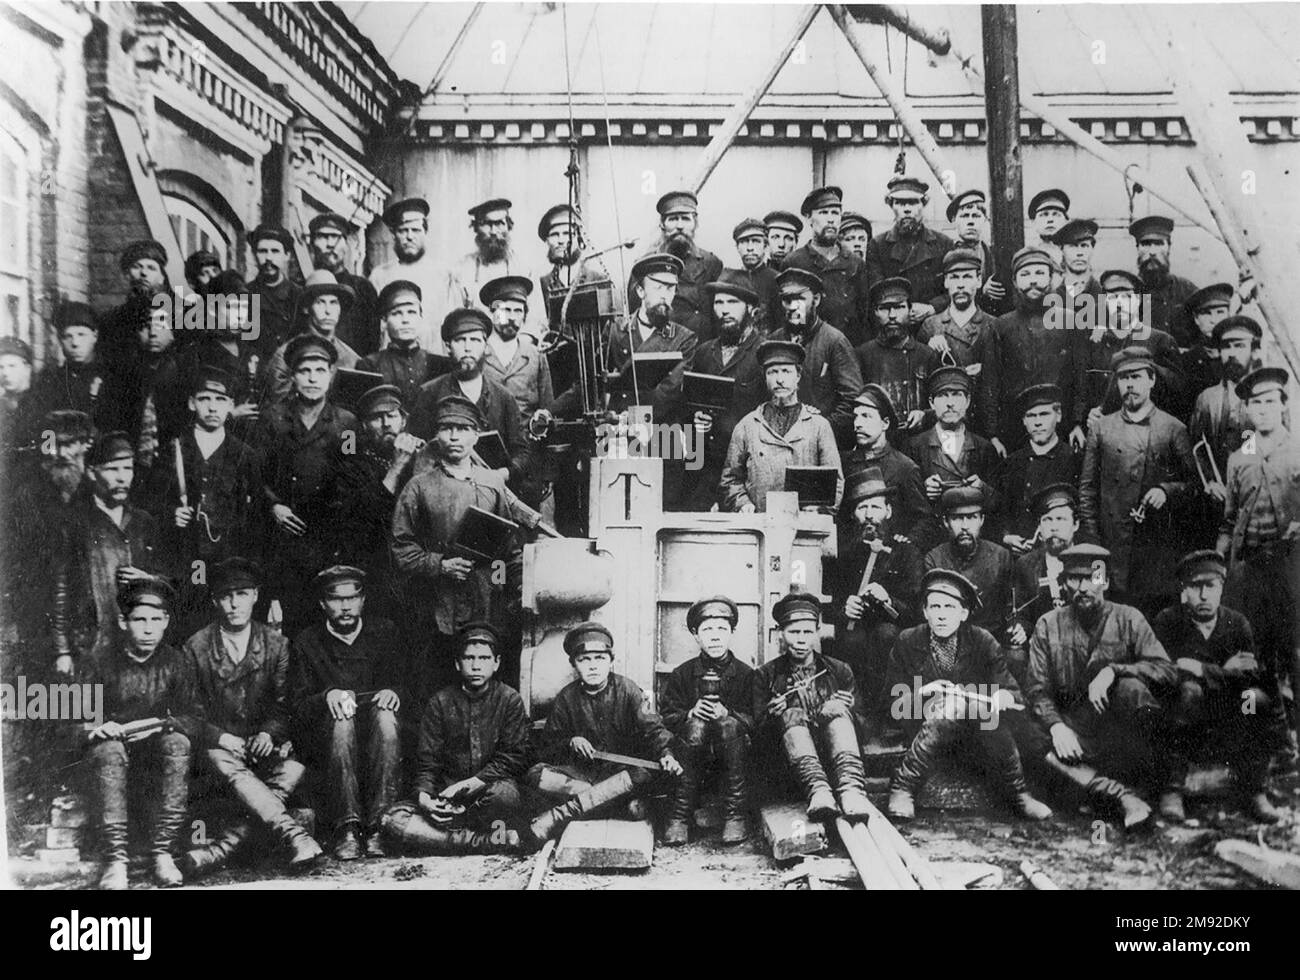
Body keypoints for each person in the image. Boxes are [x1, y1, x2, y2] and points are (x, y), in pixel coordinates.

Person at [391, 394, 538, 702]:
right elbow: (401, 548)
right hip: (434, 609)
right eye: (446, 428)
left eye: (462, 428)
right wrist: (439, 565)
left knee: (487, 690)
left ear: (475, 434)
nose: (454, 436)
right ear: (437, 435)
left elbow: (508, 552)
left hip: (485, 606)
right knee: (435, 689)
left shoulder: (492, 484)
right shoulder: (419, 486)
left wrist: (506, 588)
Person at [182, 557, 322, 875]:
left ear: (255, 596)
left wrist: (268, 734)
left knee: (294, 768)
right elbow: (189, 713)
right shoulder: (196, 647)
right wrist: (222, 737)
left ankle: (219, 850)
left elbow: (284, 705)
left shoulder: (277, 645)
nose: (234, 603)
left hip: (261, 751)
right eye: (226, 596)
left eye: (242, 594)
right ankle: (295, 835)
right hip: (217, 754)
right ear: (215, 600)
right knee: (222, 759)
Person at [1025, 543, 1178, 829]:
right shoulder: (1048, 624)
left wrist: (1114, 671)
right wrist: (1057, 726)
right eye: (1074, 579)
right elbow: (1036, 688)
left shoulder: (1129, 618)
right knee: (1025, 726)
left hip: (1118, 735)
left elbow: (1167, 671)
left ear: (1105, 581)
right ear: (1065, 583)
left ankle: (1143, 788)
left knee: (1132, 690)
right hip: (1074, 737)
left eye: (1092, 578)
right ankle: (1119, 796)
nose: (1083, 587)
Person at [885, 568, 1051, 821]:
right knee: (952, 707)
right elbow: (893, 705)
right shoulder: (907, 641)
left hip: (973, 736)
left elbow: (1012, 693)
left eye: (949, 607)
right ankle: (903, 787)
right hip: (923, 731)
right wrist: (923, 693)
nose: (941, 615)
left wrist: (1003, 698)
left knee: (976, 709)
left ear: (963, 613)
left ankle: (1019, 793)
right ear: (925, 611)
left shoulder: (982, 641)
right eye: (935, 607)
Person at [1151, 550, 1285, 823]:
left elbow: (1251, 677)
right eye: (1195, 587)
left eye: (1210, 587)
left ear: (1221, 588)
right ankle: (1172, 790)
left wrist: (1202, 669)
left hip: (1232, 717)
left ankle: (1254, 790)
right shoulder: (1169, 622)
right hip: (1184, 721)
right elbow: (1166, 673)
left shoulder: (1236, 624)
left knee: (1252, 698)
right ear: (1184, 590)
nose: (1203, 596)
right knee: (1188, 691)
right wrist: (1226, 671)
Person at [81, 577, 198, 889]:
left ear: (166, 621)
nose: (148, 629)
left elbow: (194, 716)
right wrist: (98, 726)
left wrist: (159, 726)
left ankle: (163, 853)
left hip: (155, 752)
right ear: (123, 621)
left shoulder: (176, 661)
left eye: (156, 620)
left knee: (177, 742)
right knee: (109, 749)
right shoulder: (100, 661)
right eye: (140, 620)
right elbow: (75, 719)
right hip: (111, 757)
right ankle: (116, 861)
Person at [524, 621, 683, 845]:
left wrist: (667, 753)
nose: (593, 666)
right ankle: (612, 805)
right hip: (582, 776)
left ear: (611, 661)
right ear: (574, 664)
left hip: (622, 773)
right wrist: (571, 741)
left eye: (600, 658)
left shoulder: (628, 690)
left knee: (645, 773)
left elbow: (653, 729)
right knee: (536, 774)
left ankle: (557, 816)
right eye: (584, 660)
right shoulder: (566, 697)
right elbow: (548, 747)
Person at [382, 622, 528, 855]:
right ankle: (484, 842)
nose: (476, 665)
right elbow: (427, 763)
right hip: (446, 798)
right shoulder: (440, 702)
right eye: (469, 658)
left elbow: (513, 758)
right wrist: (425, 799)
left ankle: (446, 840)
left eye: (483, 658)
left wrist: (470, 784)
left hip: (486, 794)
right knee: (392, 821)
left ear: (496, 663)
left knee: (506, 797)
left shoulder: (509, 700)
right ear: (458, 663)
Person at [290, 565, 403, 860]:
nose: (345, 606)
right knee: (342, 718)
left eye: (352, 598)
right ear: (323, 604)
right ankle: (347, 828)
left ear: (363, 600)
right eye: (337, 600)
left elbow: (408, 686)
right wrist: (327, 696)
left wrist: (394, 692)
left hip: (377, 738)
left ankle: (382, 825)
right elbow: (297, 708)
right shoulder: (307, 642)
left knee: (386, 717)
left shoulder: (385, 632)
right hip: (330, 743)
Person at [1216, 366, 1300, 746]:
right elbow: (1229, 520)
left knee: (1293, 646)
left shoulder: (1297, 449)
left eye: (1270, 402)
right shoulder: (1238, 459)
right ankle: (1269, 734)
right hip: (1251, 570)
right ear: (1247, 410)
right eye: (1255, 403)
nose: (1263, 409)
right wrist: (1220, 565)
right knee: (1257, 651)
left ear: (1283, 406)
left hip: (1291, 567)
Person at [147, 366, 265, 638]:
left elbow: (256, 519)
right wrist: (170, 514)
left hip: (227, 565)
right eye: (204, 399)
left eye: (220, 400)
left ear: (231, 405)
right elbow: (149, 503)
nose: (212, 407)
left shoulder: (245, 455)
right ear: (192, 403)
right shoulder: (173, 449)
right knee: (184, 633)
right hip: (182, 562)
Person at [253, 334, 357, 637]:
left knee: (321, 621)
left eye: (320, 370)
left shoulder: (345, 424)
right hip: (281, 539)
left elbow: (351, 474)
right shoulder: (273, 419)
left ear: (331, 374)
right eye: (304, 371)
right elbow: (256, 472)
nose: (312, 378)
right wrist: (274, 505)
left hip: (325, 538)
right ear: (293, 376)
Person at [1080, 345, 1194, 617]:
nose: (1129, 384)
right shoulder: (1101, 428)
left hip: (1154, 555)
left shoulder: (1172, 428)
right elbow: (1087, 491)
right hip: (1108, 551)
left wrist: (1167, 491)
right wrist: (1095, 547)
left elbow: (1195, 485)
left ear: (1152, 379)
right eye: (1123, 378)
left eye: (1136, 377)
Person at [752, 592, 870, 820]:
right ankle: (818, 792)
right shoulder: (764, 675)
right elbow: (756, 737)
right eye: (793, 632)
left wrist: (846, 709)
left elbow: (864, 729)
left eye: (807, 632)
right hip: (791, 772)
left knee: (836, 710)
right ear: (781, 634)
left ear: (818, 631)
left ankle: (852, 791)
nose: (801, 640)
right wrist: (773, 714)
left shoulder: (839, 670)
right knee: (792, 713)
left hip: (837, 766)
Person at [51, 431, 164, 669]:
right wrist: (62, 651)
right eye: (113, 470)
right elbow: (60, 588)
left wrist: (150, 579)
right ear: (92, 472)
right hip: (91, 646)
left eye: (128, 469)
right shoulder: (75, 523)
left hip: (136, 648)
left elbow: (168, 579)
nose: (123, 478)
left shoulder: (144, 522)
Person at [826, 467, 923, 739]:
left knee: (886, 634)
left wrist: (889, 600)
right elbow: (825, 603)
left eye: (876, 507)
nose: (869, 515)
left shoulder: (906, 552)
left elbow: (917, 610)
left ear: (889, 512)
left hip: (892, 635)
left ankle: (890, 715)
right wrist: (843, 608)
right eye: (862, 507)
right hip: (852, 635)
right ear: (854, 514)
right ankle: (858, 715)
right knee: (852, 640)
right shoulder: (841, 556)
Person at [409, 308, 536, 507]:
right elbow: (416, 449)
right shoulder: (429, 393)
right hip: (443, 499)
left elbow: (522, 452)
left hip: (493, 497)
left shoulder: (503, 397)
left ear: (486, 347)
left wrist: (503, 474)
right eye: (460, 340)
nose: (468, 348)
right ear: (448, 346)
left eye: (476, 340)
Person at [659, 595, 756, 844]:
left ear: (732, 632)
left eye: (722, 629)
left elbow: (758, 719)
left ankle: (735, 816)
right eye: (707, 629)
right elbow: (667, 717)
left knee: (728, 724)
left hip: (733, 761)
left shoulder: (748, 675)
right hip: (693, 759)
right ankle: (678, 816)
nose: (715, 636)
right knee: (696, 725)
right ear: (695, 634)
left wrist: (729, 715)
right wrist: (690, 714)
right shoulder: (682, 674)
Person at [719, 339, 842, 513]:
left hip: (805, 529)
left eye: (786, 371)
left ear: (798, 375)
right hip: (760, 526)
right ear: (765, 376)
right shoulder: (747, 426)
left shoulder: (819, 426)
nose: (780, 380)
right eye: (772, 372)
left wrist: (819, 509)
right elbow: (730, 479)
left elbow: (835, 481)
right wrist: (743, 504)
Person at [676, 276, 766, 511]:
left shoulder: (764, 353)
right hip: (703, 471)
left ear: (750, 309)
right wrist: (695, 418)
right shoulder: (704, 352)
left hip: (746, 472)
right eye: (719, 303)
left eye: (732, 302)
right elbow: (686, 405)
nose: (724, 310)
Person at [981, 246, 1074, 455]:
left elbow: (1080, 376)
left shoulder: (1068, 320)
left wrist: (1076, 422)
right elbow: (990, 382)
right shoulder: (1001, 326)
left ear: (1051, 278)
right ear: (1014, 281)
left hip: (1061, 425)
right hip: (1014, 429)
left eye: (1040, 273)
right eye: (1025, 274)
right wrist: (993, 434)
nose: (1033, 280)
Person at [906, 365, 1000, 552]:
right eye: (942, 395)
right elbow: (906, 506)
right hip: (932, 542)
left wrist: (982, 489)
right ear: (932, 403)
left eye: (957, 394)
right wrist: (924, 490)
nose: (950, 403)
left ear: (967, 401)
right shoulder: (915, 447)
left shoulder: (984, 448)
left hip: (974, 544)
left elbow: (1001, 504)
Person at [768, 267, 863, 446]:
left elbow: (852, 399)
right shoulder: (774, 340)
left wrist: (819, 429)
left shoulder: (834, 341)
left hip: (821, 443)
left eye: (800, 299)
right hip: (779, 441)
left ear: (816, 299)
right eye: (787, 300)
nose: (793, 307)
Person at [994, 383, 1081, 554]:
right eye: (1031, 416)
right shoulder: (1012, 462)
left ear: (1059, 415)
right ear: (1024, 421)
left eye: (1044, 414)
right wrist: (1006, 537)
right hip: (1019, 556)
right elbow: (1000, 511)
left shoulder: (1075, 460)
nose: (1038, 422)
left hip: (1064, 553)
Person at [1008, 484, 1081, 683]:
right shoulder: (1026, 564)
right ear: (1039, 527)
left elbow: (1102, 609)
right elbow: (1020, 611)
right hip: (1040, 646)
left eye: (1061, 519)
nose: (1054, 526)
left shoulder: (1094, 561)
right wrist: (1020, 628)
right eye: (1047, 520)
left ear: (1075, 524)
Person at [447, 198, 546, 344]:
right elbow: (455, 321)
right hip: (478, 351)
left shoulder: (525, 268)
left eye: (499, 223)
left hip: (519, 349)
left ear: (508, 226)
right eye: (486, 224)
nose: (493, 231)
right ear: (475, 228)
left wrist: (517, 348)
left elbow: (537, 320)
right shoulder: (461, 271)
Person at [782, 186, 870, 345]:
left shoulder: (855, 263)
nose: (830, 219)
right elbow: (795, 320)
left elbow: (864, 318)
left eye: (835, 213)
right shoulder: (794, 262)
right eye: (823, 213)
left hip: (849, 349)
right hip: (809, 350)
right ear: (809, 218)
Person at [925, 486, 1015, 642]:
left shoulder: (1001, 556)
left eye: (972, 517)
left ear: (982, 520)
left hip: (991, 641)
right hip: (949, 640)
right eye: (957, 518)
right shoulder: (934, 559)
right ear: (946, 522)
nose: (965, 526)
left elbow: (1010, 607)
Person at [627, 190, 723, 336]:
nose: (679, 225)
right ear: (662, 224)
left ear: (695, 223)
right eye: (672, 219)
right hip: (663, 347)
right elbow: (635, 315)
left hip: (701, 349)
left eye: (685, 219)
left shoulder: (711, 264)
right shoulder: (645, 265)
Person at [863, 175, 955, 323]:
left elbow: (953, 289)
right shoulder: (877, 246)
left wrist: (931, 308)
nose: (906, 210)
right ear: (891, 205)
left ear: (923, 204)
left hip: (932, 325)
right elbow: (877, 292)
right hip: (893, 323)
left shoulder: (943, 244)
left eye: (912, 203)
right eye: (900, 203)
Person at [840, 384, 929, 538]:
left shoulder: (904, 468)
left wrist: (905, 543)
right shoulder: (844, 463)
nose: (857, 424)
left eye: (866, 416)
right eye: (856, 417)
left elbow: (924, 520)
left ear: (885, 423)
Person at [855, 277, 938, 438]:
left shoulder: (927, 355)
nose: (892, 315)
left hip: (919, 442)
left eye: (899, 307)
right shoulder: (862, 355)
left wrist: (925, 415)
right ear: (875, 312)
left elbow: (940, 403)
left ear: (910, 310)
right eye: (884, 308)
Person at [264, 270, 361, 405]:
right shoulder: (284, 356)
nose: (328, 310)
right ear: (306, 308)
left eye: (333, 303)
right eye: (320, 302)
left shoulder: (352, 359)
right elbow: (279, 407)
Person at [369, 197, 445, 354]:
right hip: (391, 362)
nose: (409, 236)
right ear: (394, 235)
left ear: (425, 233)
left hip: (435, 362)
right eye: (403, 230)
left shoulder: (443, 275)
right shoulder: (379, 276)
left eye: (416, 230)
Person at [1189, 315, 1261, 477]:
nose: (1232, 353)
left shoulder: (1267, 397)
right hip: (1218, 494)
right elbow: (1197, 448)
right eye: (1226, 347)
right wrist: (1210, 481)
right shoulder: (1207, 399)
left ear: (1255, 352)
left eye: (1240, 346)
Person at [357, 280, 449, 408]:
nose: (405, 320)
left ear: (420, 318)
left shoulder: (440, 364)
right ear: (384, 322)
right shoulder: (369, 365)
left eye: (411, 312)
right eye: (397, 313)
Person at [479, 274, 555, 424]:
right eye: (506, 310)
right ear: (493, 312)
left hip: (527, 442)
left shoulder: (535, 356)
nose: (512, 317)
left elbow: (547, 409)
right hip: (488, 442)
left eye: (518, 311)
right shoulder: (477, 353)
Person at [306, 212, 380, 357]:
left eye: (336, 237)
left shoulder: (363, 289)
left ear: (346, 245)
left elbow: (373, 343)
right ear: (312, 244)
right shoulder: (303, 287)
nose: (330, 244)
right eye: (322, 237)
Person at [917, 248, 995, 378]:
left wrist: (986, 368)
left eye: (967, 277)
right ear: (946, 282)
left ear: (979, 280)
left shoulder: (993, 325)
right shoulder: (930, 326)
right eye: (954, 277)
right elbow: (919, 372)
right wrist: (928, 351)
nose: (960, 285)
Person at [1130, 215, 1199, 348]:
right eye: (1146, 244)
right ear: (1137, 248)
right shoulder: (1128, 292)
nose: (1152, 252)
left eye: (1159, 243)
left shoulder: (1187, 290)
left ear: (1169, 248)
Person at [941, 189, 1010, 315]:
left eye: (976, 216)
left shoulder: (993, 253)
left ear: (985, 219)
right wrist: (981, 292)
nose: (971, 221)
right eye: (965, 216)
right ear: (954, 220)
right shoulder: (944, 253)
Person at [247, 225, 301, 357]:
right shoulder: (245, 295)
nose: (269, 258)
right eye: (263, 251)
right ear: (254, 255)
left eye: (275, 251)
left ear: (287, 255)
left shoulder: (300, 295)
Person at [1180, 282, 1235, 401]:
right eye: (1207, 313)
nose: (1214, 320)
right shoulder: (1187, 361)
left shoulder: (1240, 354)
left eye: (1220, 312)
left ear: (1228, 315)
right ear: (1196, 319)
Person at [723, 217, 779, 335]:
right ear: (737, 247)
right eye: (744, 241)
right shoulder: (728, 281)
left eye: (756, 241)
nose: (750, 248)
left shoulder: (777, 280)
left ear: (766, 245)